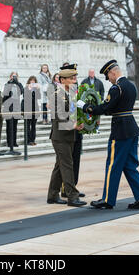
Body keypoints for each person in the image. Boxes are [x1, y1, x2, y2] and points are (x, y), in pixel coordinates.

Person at [78, 60, 139, 210]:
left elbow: (105, 108)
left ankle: (107, 199)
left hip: (120, 130)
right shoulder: (131, 86)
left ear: (113, 72)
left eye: (108, 76)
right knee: (130, 166)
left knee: (112, 165)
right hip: (131, 128)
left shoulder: (116, 88)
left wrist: (85, 107)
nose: (109, 79)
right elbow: (117, 107)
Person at [47, 65, 86, 207]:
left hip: (68, 135)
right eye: (71, 78)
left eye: (75, 77)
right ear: (63, 80)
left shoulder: (70, 94)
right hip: (60, 136)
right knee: (67, 165)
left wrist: (78, 123)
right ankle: (72, 196)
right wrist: (73, 125)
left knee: (60, 166)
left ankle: (52, 195)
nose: (74, 80)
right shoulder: (57, 95)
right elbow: (59, 117)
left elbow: (72, 112)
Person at [3, 72, 24, 149]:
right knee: (9, 126)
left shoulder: (19, 84)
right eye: (12, 76)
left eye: (15, 76)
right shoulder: (7, 84)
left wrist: (17, 83)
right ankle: (9, 142)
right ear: (10, 76)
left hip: (16, 108)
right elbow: (5, 94)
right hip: (8, 108)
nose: (14, 77)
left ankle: (14, 142)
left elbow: (22, 91)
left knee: (15, 126)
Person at [22, 76, 41, 146]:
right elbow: (25, 97)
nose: (32, 82)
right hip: (27, 109)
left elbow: (39, 97)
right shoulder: (26, 88)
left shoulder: (36, 89)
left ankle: (33, 140)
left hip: (35, 109)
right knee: (27, 126)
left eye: (34, 81)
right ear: (29, 81)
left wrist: (37, 89)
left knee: (33, 126)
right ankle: (28, 140)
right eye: (31, 81)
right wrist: (29, 89)